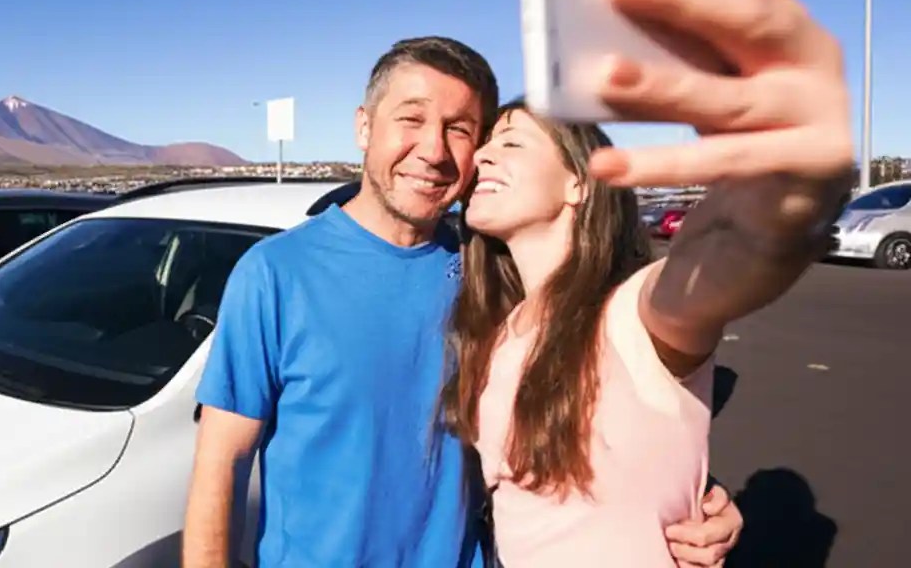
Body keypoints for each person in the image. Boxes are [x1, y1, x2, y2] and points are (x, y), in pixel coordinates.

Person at [182, 38, 742, 563]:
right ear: (363, 126)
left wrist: (694, 494)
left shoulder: (493, 272)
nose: (432, 149)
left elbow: (605, 406)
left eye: (459, 129)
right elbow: (221, 463)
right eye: (411, 118)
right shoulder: (277, 274)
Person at [441, 0, 852, 567]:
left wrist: (788, 178)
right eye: (487, 143)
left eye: (511, 142)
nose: (482, 158)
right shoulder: (499, 326)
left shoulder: (631, 315)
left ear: (579, 183)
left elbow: (730, 255)